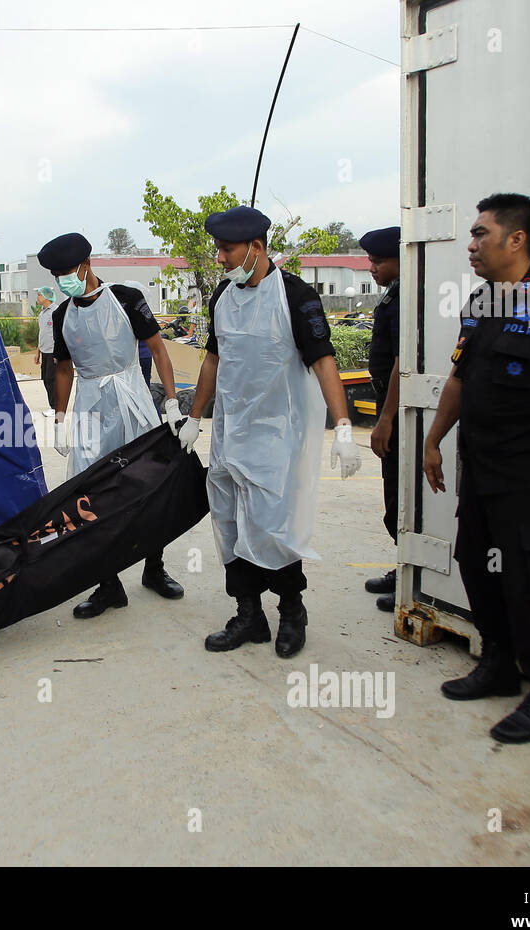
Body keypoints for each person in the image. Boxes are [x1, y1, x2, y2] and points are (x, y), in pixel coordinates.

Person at [423, 193, 530, 744]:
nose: (471, 246)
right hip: (480, 470)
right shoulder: (479, 304)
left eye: (481, 234)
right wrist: (433, 441)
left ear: (516, 239)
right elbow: (457, 380)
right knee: (478, 565)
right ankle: (498, 666)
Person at [179, 205, 361, 658]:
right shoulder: (222, 295)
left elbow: (323, 361)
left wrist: (342, 426)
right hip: (230, 431)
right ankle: (248, 615)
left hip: (279, 435)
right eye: (218, 248)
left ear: (256, 248)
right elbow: (214, 360)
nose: (219, 257)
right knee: (230, 521)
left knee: (274, 526)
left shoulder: (297, 296)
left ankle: (291, 612)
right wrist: (196, 417)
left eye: (227, 249)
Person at [40, 232, 185, 617]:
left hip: (133, 397)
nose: (61, 281)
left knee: (149, 485)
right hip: (91, 405)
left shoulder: (126, 299)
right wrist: (59, 417)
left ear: (86, 265)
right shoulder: (61, 317)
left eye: (66, 272)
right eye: (56, 275)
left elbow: (158, 348)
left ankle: (154, 569)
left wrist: (170, 402)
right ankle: (108, 586)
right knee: (93, 494)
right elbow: (65, 370)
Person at [359, 226, 401, 613]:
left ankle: (410, 574)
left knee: (401, 497)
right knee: (395, 497)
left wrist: (385, 419)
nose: (371, 267)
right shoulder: (393, 295)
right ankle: (405, 566)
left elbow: (403, 364)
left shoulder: (407, 300)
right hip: (392, 406)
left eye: (378, 261)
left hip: (400, 414)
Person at [33, 286, 59, 409]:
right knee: (45, 379)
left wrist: (58, 354)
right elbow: (41, 333)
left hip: (53, 351)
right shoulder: (41, 314)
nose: (37, 297)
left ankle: (55, 407)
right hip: (44, 351)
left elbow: (59, 334)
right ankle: (52, 405)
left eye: (39, 295)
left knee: (52, 379)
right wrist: (38, 352)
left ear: (47, 296)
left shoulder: (56, 311)